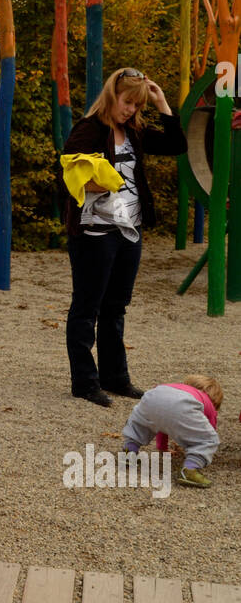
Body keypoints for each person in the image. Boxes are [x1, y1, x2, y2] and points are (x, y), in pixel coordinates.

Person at [60, 68, 187, 406]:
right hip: (94, 231)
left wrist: (162, 103)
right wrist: (100, 179)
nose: (131, 109)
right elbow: (70, 174)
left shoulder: (135, 131)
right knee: (87, 306)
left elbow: (176, 145)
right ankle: (85, 382)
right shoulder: (88, 129)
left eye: (137, 105)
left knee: (116, 307)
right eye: (127, 102)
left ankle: (115, 378)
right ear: (112, 95)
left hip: (129, 229)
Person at [122, 375, 223, 488]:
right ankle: (190, 468)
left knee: (140, 425)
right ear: (214, 400)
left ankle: (129, 450)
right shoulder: (206, 401)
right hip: (183, 404)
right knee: (209, 439)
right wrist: (204, 450)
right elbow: (209, 430)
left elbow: (162, 424)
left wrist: (162, 448)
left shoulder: (175, 387)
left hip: (153, 394)